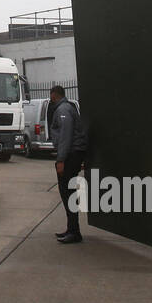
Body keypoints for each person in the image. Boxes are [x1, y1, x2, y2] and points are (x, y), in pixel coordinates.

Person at [50, 86, 88, 243]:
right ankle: (72, 228)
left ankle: (74, 231)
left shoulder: (63, 110)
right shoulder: (68, 107)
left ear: (54, 96)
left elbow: (65, 135)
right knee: (67, 192)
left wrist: (61, 160)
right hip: (73, 154)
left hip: (70, 155)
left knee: (67, 192)